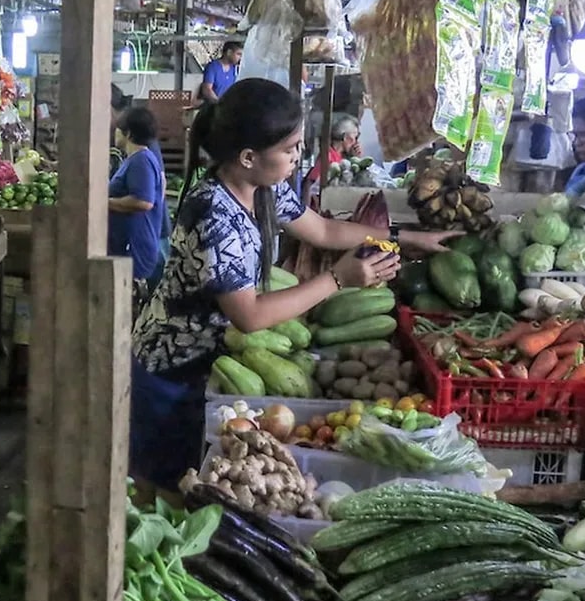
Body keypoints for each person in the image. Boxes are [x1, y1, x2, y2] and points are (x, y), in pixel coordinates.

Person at [131, 79, 458, 493]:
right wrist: (338, 279)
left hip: (210, 367)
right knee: (164, 490)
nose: (298, 156)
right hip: (170, 371)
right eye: (290, 149)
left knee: (193, 482)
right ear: (249, 156)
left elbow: (321, 229)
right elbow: (248, 315)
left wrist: (400, 239)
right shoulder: (212, 211)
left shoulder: (263, 188)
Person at [109, 107, 168, 296]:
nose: (114, 132)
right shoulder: (136, 159)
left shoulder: (141, 160)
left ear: (128, 133)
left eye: (118, 128)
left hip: (135, 248)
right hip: (129, 245)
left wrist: (105, 202)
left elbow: (144, 201)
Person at [302, 112, 361, 205]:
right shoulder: (328, 156)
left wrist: (356, 159)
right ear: (346, 138)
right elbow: (309, 183)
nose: (356, 143)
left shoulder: (341, 156)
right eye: (355, 137)